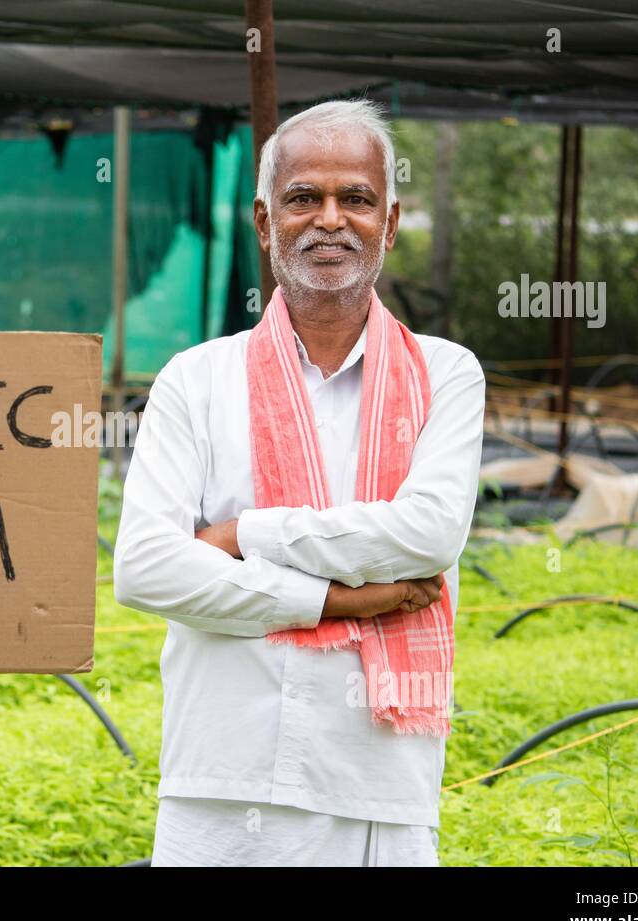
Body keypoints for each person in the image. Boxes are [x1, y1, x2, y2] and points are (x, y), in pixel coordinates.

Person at [112, 98, 486, 867]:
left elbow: (428, 533)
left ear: (389, 220)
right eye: (302, 197)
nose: (330, 219)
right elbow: (146, 568)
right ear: (262, 221)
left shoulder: (445, 375)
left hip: (375, 779)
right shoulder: (195, 380)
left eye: (356, 198)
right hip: (222, 778)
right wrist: (338, 598)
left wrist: (245, 535)